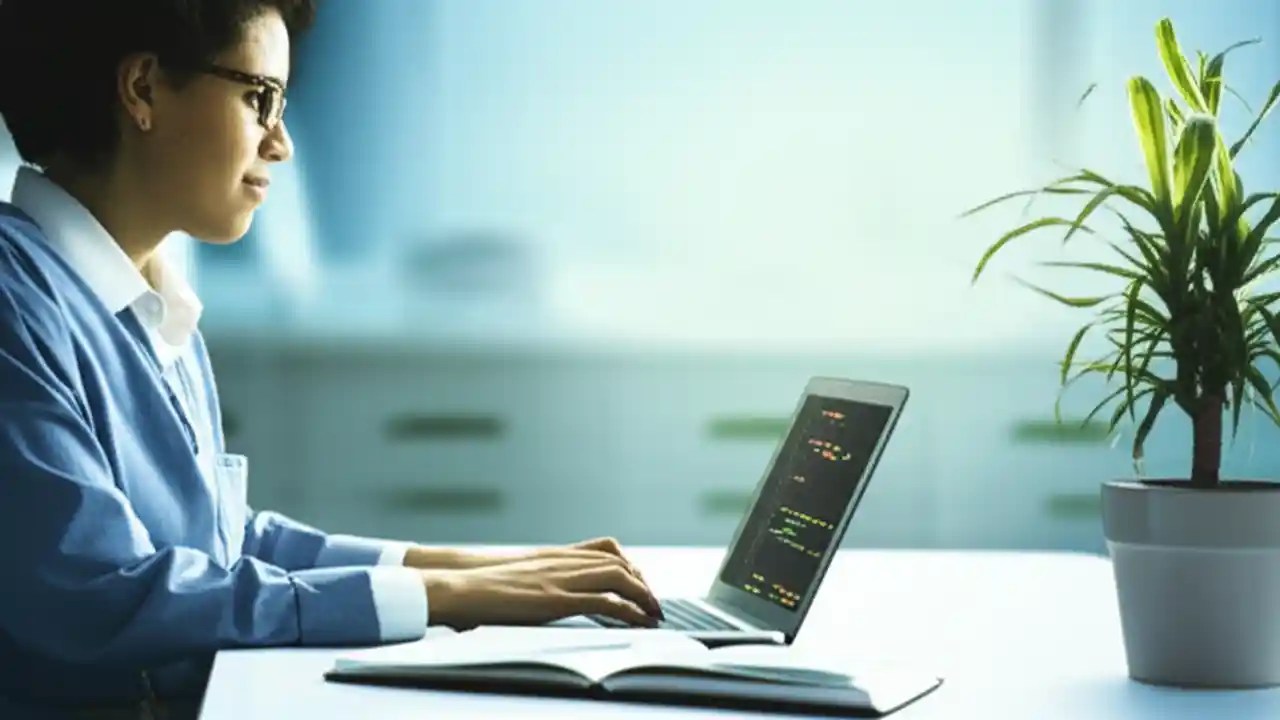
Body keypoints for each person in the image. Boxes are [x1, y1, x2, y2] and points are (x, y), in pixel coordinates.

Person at [0, 1, 663, 717]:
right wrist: (438, 599)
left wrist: (473, 568)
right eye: (260, 99)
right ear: (143, 89)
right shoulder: (15, 301)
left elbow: (219, 544)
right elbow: (98, 593)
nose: (279, 142)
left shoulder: (149, 300)